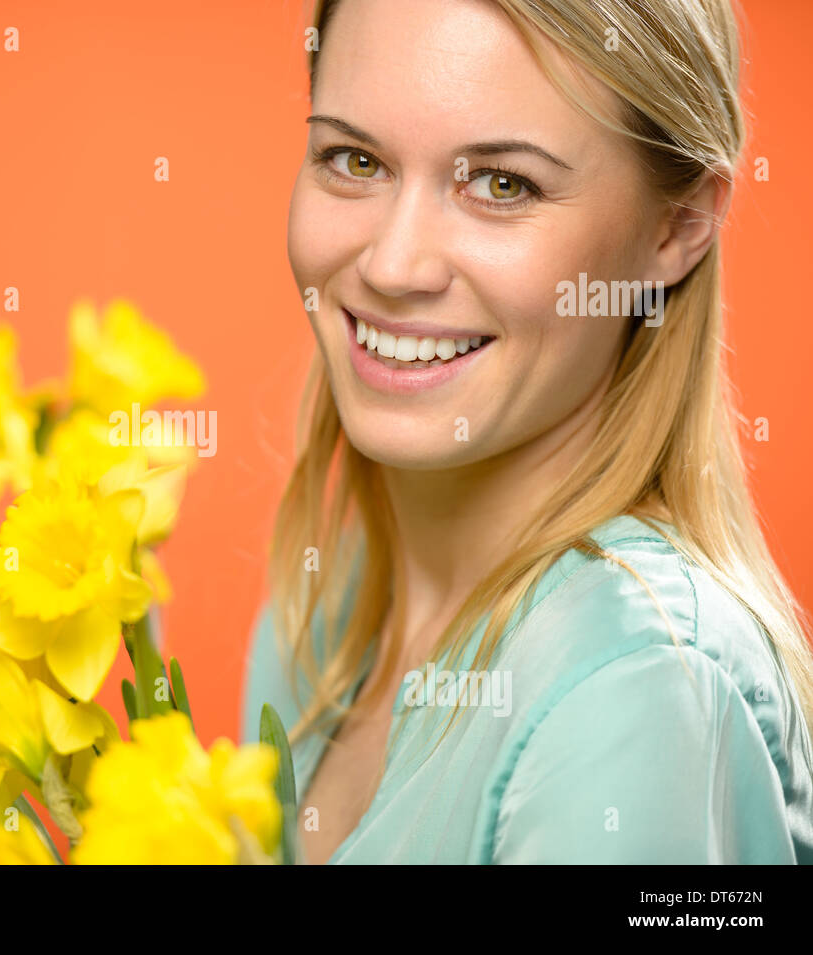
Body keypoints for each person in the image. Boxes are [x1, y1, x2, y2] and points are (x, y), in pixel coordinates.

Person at [241, 0, 813, 864]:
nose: (393, 265)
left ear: (677, 227)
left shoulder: (642, 686)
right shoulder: (317, 611)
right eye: (354, 159)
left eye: (503, 184)